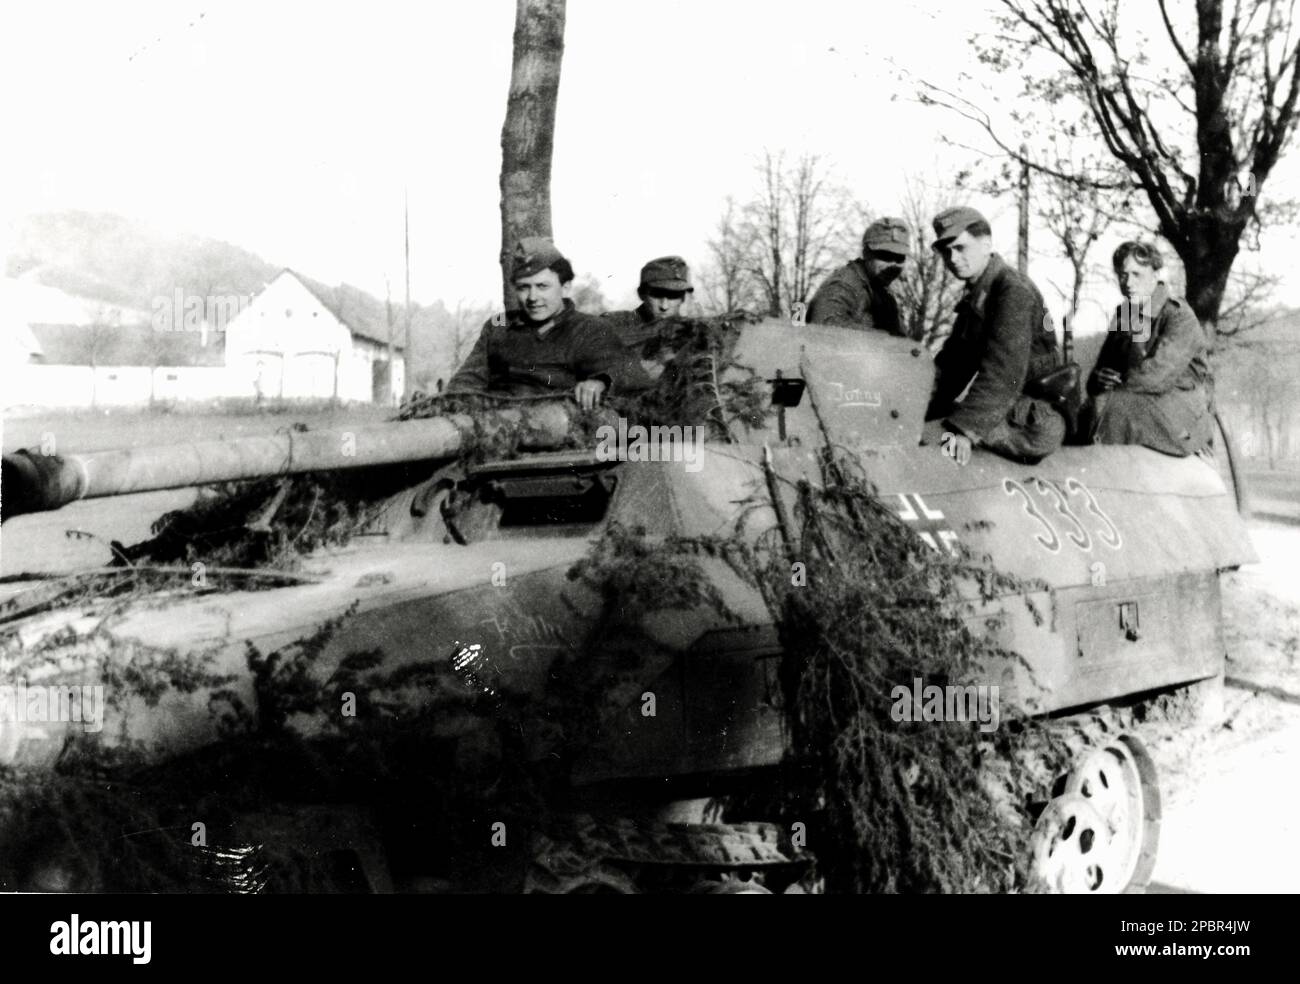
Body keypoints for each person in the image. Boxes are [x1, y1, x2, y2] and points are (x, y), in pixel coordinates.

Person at [924, 206, 1065, 465]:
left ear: (986, 244)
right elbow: (953, 367)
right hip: (1007, 408)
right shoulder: (979, 296)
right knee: (925, 430)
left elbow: (1004, 373)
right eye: (946, 251)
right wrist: (916, 406)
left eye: (960, 248)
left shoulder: (1011, 291)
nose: (952, 258)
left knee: (939, 438)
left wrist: (965, 429)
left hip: (1034, 418)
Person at [446, 237, 646, 408]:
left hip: (558, 430)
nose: (533, 297)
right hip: (495, 421)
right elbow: (467, 380)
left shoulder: (589, 328)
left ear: (565, 287)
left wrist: (600, 381)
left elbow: (625, 371)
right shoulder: (498, 326)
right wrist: (456, 402)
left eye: (542, 286)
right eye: (524, 287)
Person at [1083, 241, 1214, 456]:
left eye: (1137, 275)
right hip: (1138, 401)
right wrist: (1100, 379)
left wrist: (1114, 387)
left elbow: (1155, 377)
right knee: (1085, 412)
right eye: (1122, 275)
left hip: (1181, 415)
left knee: (1111, 409)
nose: (1128, 283)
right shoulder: (1124, 315)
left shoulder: (1179, 316)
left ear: (1155, 274)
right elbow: (1096, 378)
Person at [805, 217, 911, 335]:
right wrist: (883, 338)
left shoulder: (883, 293)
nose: (893, 265)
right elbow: (823, 327)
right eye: (885, 256)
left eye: (900, 258)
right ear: (866, 253)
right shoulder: (844, 284)